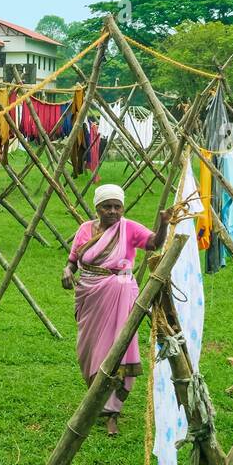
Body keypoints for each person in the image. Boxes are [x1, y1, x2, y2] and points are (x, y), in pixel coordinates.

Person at [61, 183, 169, 435]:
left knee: (117, 349)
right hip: (89, 295)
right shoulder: (85, 229)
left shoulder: (128, 228)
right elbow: (73, 260)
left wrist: (164, 224)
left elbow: (154, 243)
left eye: (117, 207)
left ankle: (112, 412)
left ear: (123, 208)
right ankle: (96, 399)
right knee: (88, 351)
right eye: (106, 207)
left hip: (121, 295)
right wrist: (67, 270)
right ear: (97, 208)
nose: (112, 211)